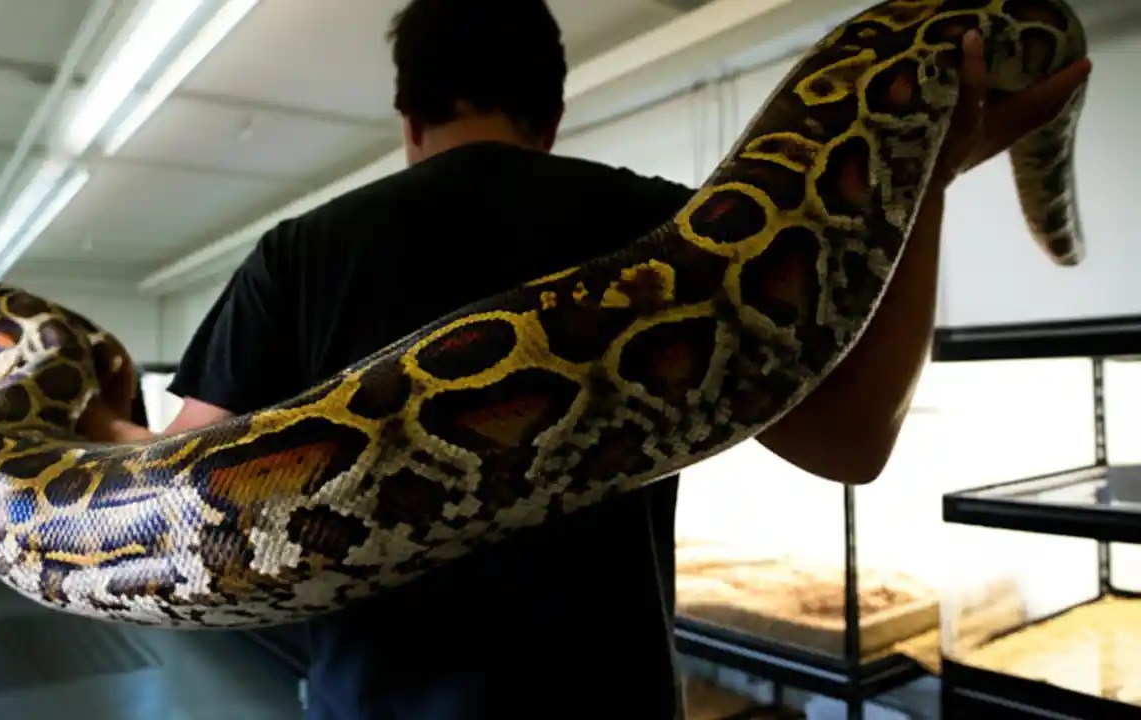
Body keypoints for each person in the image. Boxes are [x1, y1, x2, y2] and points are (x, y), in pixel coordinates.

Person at [78, 1, 1091, 717]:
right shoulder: (668, 229)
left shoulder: (297, 252)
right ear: (551, 116)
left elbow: (175, 501)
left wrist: (78, 406)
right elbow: (851, 440)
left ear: (408, 119)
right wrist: (930, 174)